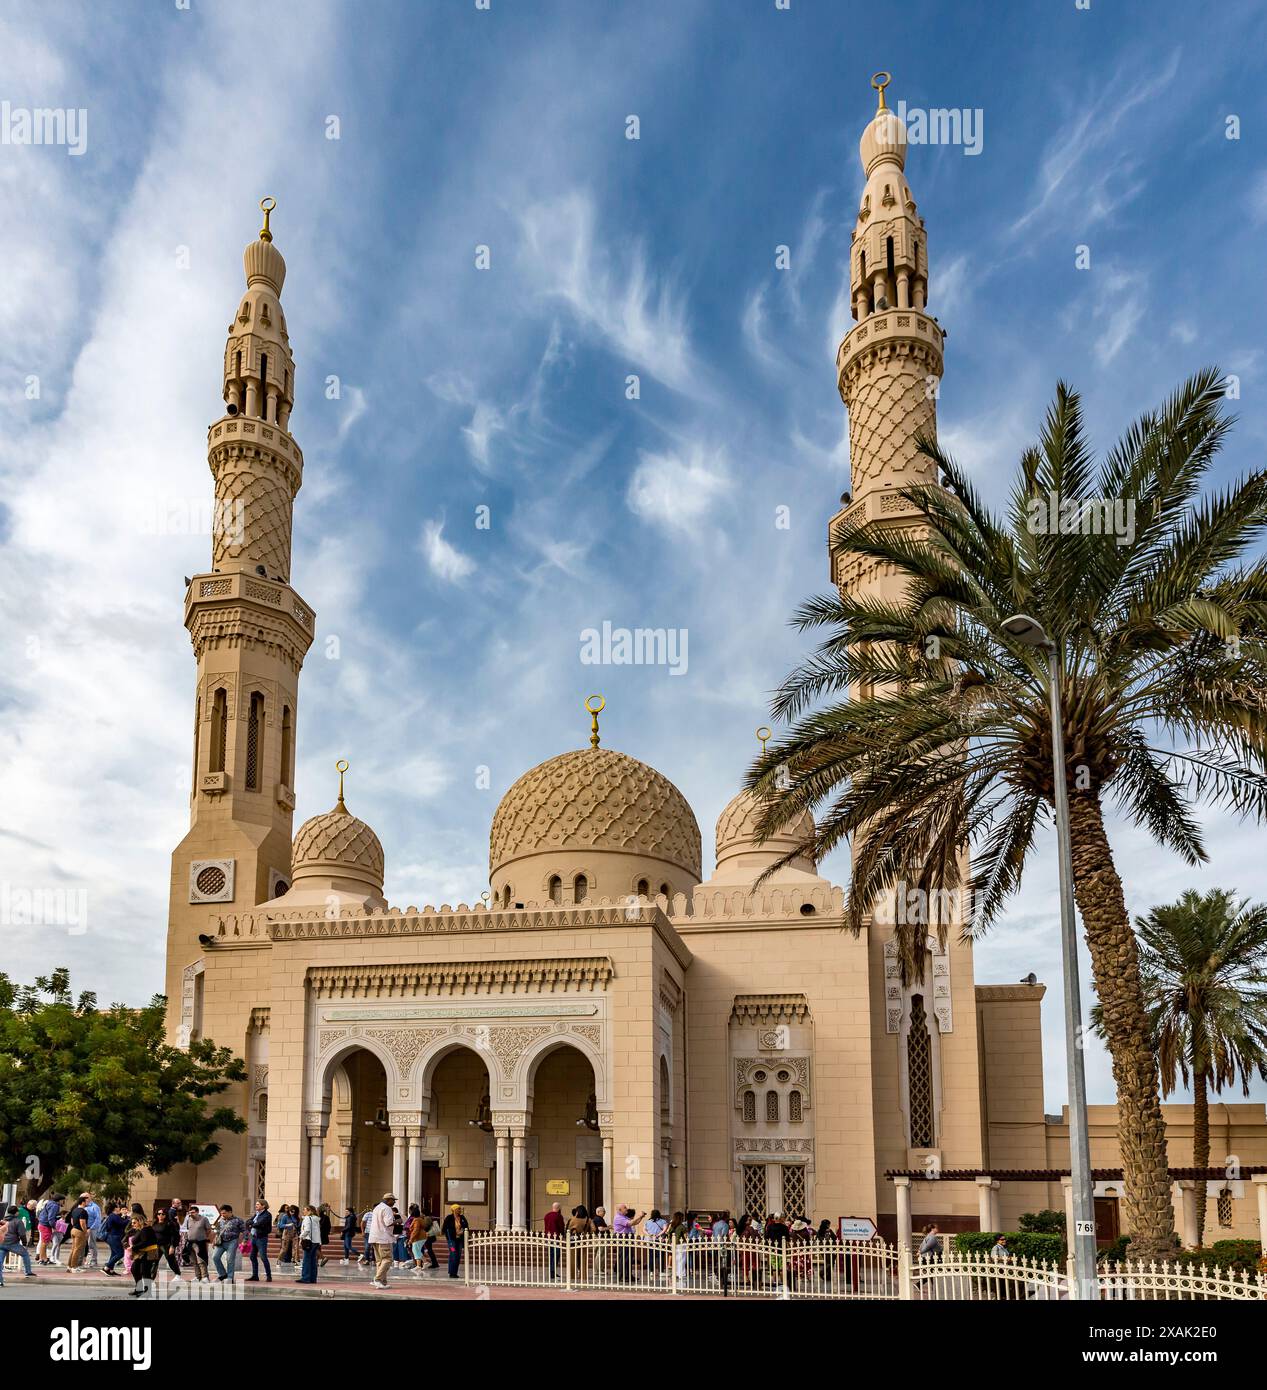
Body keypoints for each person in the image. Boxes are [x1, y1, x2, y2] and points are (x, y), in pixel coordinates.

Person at [367, 1192, 396, 1289]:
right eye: (393, 1200)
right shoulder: (387, 1209)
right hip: (383, 1237)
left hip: (374, 1237)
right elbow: (388, 1223)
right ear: (388, 1200)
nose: (394, 1202)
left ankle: (383, 1282)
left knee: (379, 1261)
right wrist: (398, 1221)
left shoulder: (377, 1207)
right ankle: (378, 1279)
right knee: (387, 1259)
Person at [0, 1205, 36, 1282]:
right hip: (12, 1243)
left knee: (0, 1261)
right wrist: (24, 1243)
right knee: (25, 1254)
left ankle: (0, 1280)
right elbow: (22, 1234)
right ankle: (28, 1272)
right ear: (16, 1213)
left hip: (2, 1243)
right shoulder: (18, 1221)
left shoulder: (3, 1220)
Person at [212, 1205, 246, 1282]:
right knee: (215, 1257)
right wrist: (214, 1241)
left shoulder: (238, 1220)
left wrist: (245, 1240)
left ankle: (230, 1277)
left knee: (230, 1259)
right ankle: (222, 1274)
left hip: (232, 1242)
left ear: (230, 1212)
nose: (222, 1215)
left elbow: (244, 1231)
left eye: (224, 1213)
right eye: (221, 1213)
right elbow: (218, 1232)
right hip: (221, 1242)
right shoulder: (220, 1221)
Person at [128, 1215, 160, 1298]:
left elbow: (145, 1242)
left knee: (145, 1271)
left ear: (140, 1221)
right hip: (141, 1253)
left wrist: (133, 1247)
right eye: (132, 1223)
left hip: (149, 1253)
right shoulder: (140, 1229)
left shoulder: (146, 1229)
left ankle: (147, 1291)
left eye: (134, 1222)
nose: (133, 1224)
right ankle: (139, 1288)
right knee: (134, 1269)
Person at [183, 1206, 211, 1283]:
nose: (191, 1214)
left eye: (193, 1212)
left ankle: (205, 1277)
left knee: (201, 1260)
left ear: (197, 1212)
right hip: (190, 1242)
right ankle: (197, 1276)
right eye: (190, 1212)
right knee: (194, 1261)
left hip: (200, 1242)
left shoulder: (204, 1219)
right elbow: (186, 1229)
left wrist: (203, 1237)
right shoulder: (188, 1219)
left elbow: (208, 1229)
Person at [247, 1200, 273, 1282]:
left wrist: (252, 1224)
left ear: (263, 1206)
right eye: (256, 1204)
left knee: (263, 1257)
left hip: (261, 1238)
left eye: (258, 1204)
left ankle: (269, 1276)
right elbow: (248, 1222)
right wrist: (251, 1224)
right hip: (254, 1237)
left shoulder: (267, 1215)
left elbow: (259, 1224)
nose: (256, 1205)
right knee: (252, 1256)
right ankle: (255, 1276)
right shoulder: (257, 1214)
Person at [441, 1204, 469, 1279]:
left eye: (460, 1209)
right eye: (458, 1209)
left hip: (459, 1240)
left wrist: (462, 1231)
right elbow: (444, 1229)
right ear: (453, 1210)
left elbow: (466, 1226)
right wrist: (452, 1233)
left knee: (458, 1255)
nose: (459, 1210)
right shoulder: (449, 1218)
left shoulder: (462, 1217)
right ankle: (451, 1272)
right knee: (453, 1254)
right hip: (451, 1240)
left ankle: (455, 1272)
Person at [156, 1207, 183, 1280]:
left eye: (163, 1214)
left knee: (171, 1260)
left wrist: (172, 1246)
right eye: (159, 1214)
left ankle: (178, 1274)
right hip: (156, 1245)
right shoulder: (155, 1223)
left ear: (165, 1215)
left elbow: (174, 1236)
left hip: (166, 1245)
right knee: (153, 1262)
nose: (160, 1215)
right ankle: (151, 1278)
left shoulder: (169, 1224)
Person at [297, 1205, 321, 1284]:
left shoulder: (307, 1218)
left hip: (308, 1241)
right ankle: (313, 1278)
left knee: (306, 1260)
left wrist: (301, 1236)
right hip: (316, 1241)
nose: (303, 1211)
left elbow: (307, 1230)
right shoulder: (316, 1219)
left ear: (310, 1211)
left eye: (304, 1210)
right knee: (313, 1261)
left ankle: (306, 1278)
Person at [64, 1194, 89, 1269]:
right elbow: (82, 1222)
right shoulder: (83, 1211)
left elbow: (72, 1220)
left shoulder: (74, 1210)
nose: (87, 1203)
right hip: (79, 1231)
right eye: (86, 1201)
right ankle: (74, 1267)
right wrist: (85, 1231)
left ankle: (69, 1266)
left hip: (73, 1230)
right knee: (77, 1249)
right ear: (83, 1202)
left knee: (73, 1249)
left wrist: (75, 1226)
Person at [543, 1201, 565, 1280]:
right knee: (556, 1255)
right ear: (559, 1208)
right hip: (556, 1238)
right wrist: (563, 1235)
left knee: (551, 1255)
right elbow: (561, 1227)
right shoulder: (559, 1216)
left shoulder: (547, 1215)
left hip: (548, 1237)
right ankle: (552, 1271)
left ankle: (552, 1271)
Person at [83, 1192, 102, 1269]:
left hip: (92, 1228)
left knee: (91, 1245)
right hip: (83, 1228)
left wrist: (90, 1229)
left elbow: (98, 1219)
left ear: (89, 1198)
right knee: (83, 1245)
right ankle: (83, 1260)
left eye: (86, 1197)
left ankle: (94, 1261)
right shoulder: (82, 1206)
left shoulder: (95, 1207)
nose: (85, 1199)